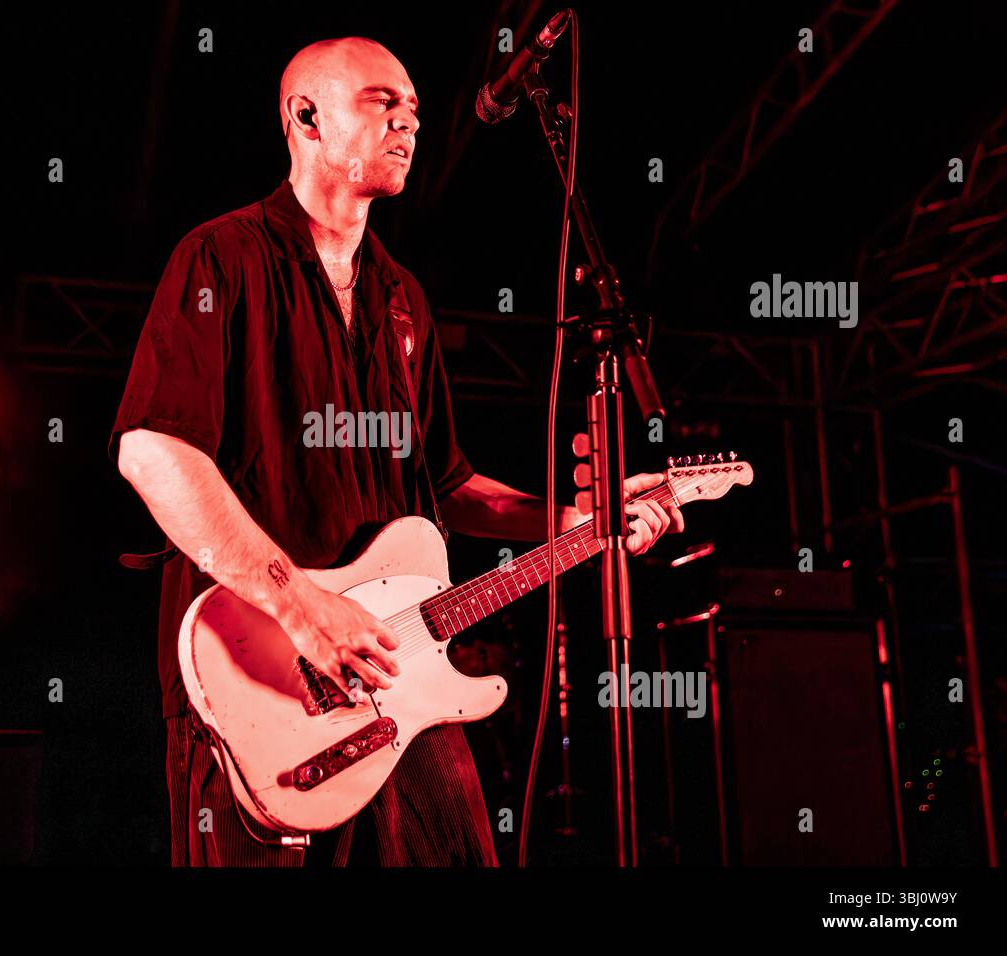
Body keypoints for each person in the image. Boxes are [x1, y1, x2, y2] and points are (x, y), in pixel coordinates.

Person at [110, 36, 682, 866]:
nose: (410, 120)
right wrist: (305, 609)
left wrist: (582, 517)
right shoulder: (219, 258)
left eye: (413, 106)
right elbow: (154, 451)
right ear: (305, 116)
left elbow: (447, 486)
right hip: (255, 687)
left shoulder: (401, 298)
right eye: (383, 101)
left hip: (395, 683)